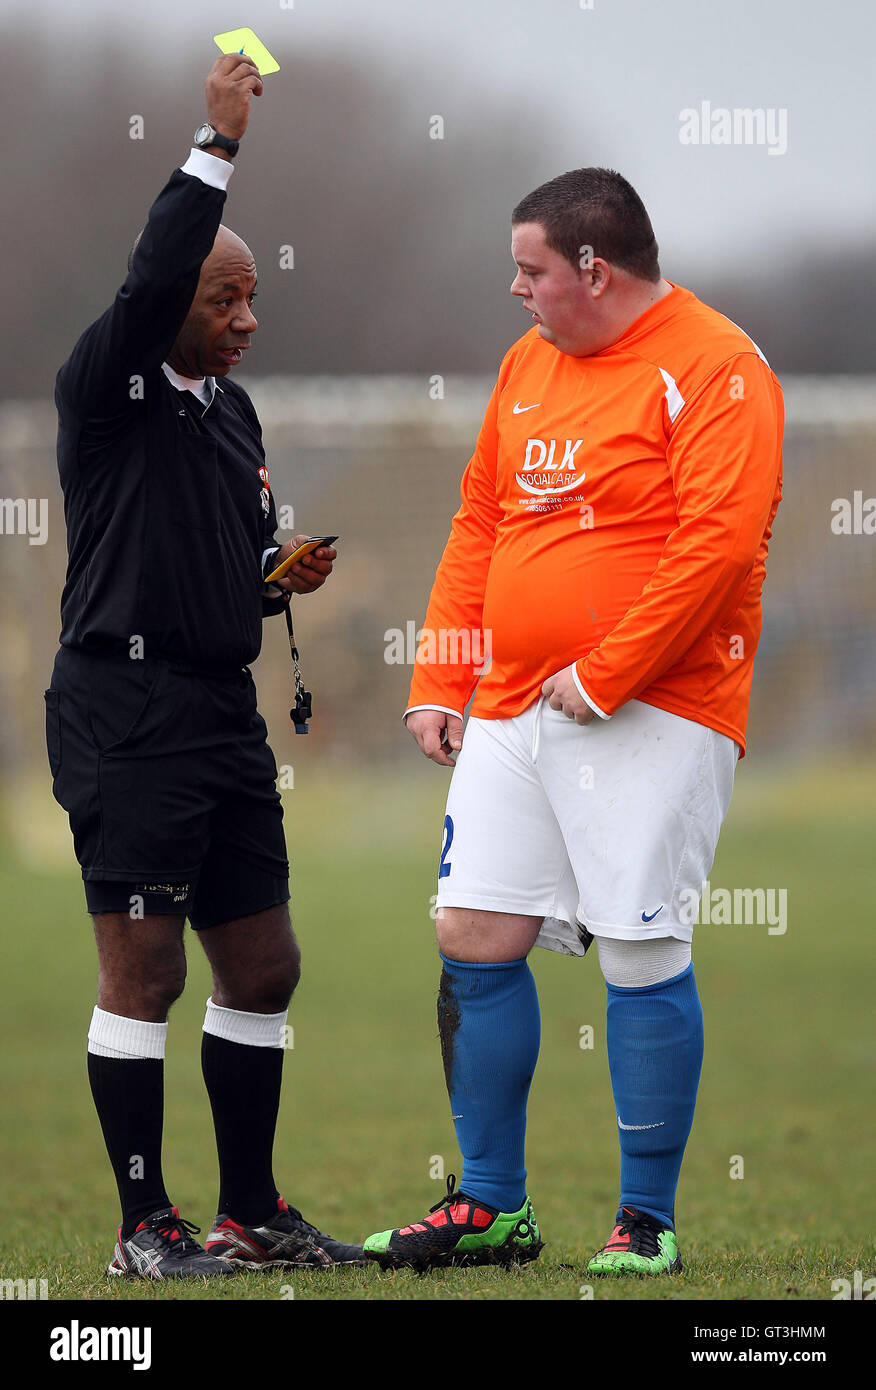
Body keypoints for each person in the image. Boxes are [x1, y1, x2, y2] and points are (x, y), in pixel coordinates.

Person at [363, 167, 783, 1275]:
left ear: (592, 269)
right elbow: (482, 516)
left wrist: (606, 673)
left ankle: (645, 1219)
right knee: (473, 932)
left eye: (531, 268)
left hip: (656, 706)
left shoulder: (718, 365)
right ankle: (494, 1205)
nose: (517, 289)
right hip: (513, 701)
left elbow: (720, 544)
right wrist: (441, 671)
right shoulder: (528, 364)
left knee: (640, 951)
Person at [45, 53, 361, 1279]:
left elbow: (221, 559)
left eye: (252, 303)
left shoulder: (233, 413)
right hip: (121, 711)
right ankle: (143, 1228)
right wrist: (215, 143)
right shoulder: (109, 383)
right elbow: (154, 267)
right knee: (147, 967)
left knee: (266, 963)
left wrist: (276, 575)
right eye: (226, 301)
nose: (247, 320)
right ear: (179, 297)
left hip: (219, 709)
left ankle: (250, 1210)